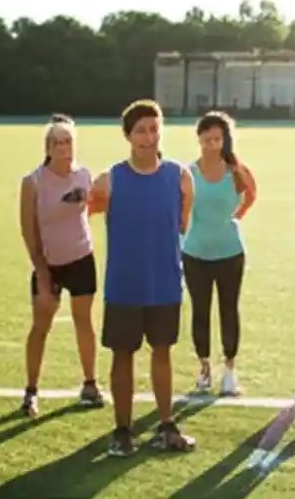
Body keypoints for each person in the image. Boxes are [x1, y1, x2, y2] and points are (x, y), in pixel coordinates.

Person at [89, 99, 196, 456]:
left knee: (162, 352)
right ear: (128, 136)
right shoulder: (110, 180)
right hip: (124, 285)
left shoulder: (179, 177)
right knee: (122, 355)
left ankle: (166, 425)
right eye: (140, 131)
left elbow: (182, 223)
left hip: (164, 283)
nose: (148, 137)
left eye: (154, 129)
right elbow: (84, 212)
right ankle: (122, 431)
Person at [19, 114, 105, 417]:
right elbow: (28, 229)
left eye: (68, 142)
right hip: (50, 264)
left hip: (81, 258)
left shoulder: (83, 175)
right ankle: (31, 391)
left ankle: (90, 384)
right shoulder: (33, 182)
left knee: (84, 321)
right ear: (48, 147)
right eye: (57, 143)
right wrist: (42, 270)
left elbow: (89, 209)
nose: (64, 148)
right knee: (41, 326)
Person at [182, 111, 256, 397]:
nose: (212, 144)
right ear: (199, 139)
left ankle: (229, 370)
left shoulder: (236, 171)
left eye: (217, 139)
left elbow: (251, 195)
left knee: (229, 309)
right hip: (195, 253)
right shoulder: (188, 173)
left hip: (230, 253)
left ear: (225, 140)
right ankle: (204, 369)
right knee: (200, 311)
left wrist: (236, 216)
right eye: (207, 139)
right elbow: (181, 208)